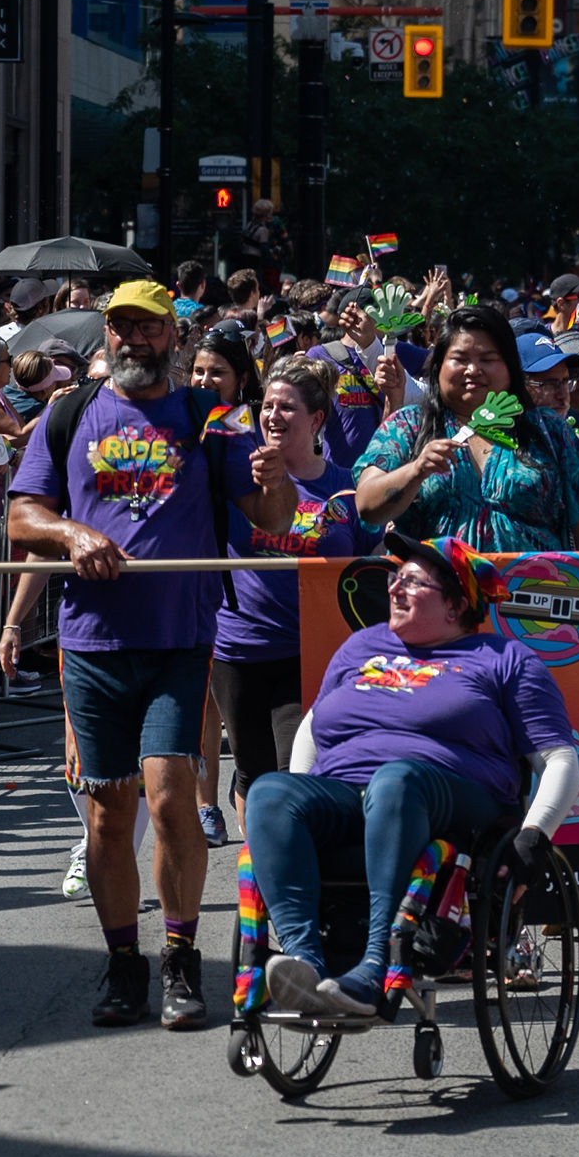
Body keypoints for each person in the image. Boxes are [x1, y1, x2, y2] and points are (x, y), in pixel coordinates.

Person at [3, 280, 242, 1031]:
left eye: (148, 329)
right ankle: (122, 963)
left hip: (179, 637)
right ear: (106, 336)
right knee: (108, 818)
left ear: (174, 336)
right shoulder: (68, 414)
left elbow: (266, 511)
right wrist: (72, 535)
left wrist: (270, 478)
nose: (133, 341)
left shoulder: (208, 417)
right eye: (121, 328)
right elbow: (21, 513)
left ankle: (180, 959)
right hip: (93, 642)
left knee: (173, 796)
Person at [248, 535, 579, 1022]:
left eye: (412, 581)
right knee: (270, 792)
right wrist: (303, 796)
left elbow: (558, 760)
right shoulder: (363, 645)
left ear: (455, 605)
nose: (394, 589)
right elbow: (311, 729)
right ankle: (305, 961)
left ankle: (373, 967)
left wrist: (534, 836)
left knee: (396, 782)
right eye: (395, 577)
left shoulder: (505, 660)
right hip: (350, 794)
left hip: (453, 799)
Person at [212, 353, 379, 831]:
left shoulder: (346, 488)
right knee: (251, 773)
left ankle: (288, 874)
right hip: (238, 649)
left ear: (317, 419)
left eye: (286, 407)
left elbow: (372, 564)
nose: (272, 416)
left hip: (313, 656)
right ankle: (258, 879)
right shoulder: (236, 478)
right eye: (267, 406)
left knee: (293, 774)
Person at [354, 306, 579, 553]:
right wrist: (416, 470)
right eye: (460, 359)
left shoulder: (550, 430)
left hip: (533, 590)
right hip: (434, 591)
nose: (473, 370)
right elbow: (367, 504)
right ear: (439, 366)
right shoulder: (408, 425)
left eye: (488, 359)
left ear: (510, 368)